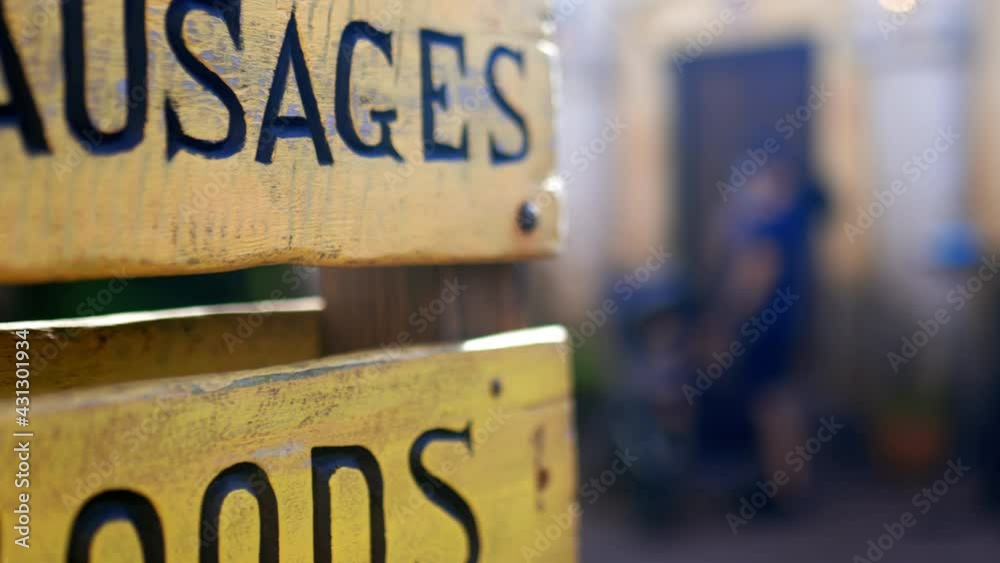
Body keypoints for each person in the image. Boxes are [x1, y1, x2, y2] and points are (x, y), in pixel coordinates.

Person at [695, 157, 827, 509]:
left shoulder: (767, 228)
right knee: (781, 404)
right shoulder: (787, 223)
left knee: (770, 408)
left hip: (765, 332)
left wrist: (724, 322)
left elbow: (751, 282)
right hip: (782, 328)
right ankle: (792, 485)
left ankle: (785, 490)